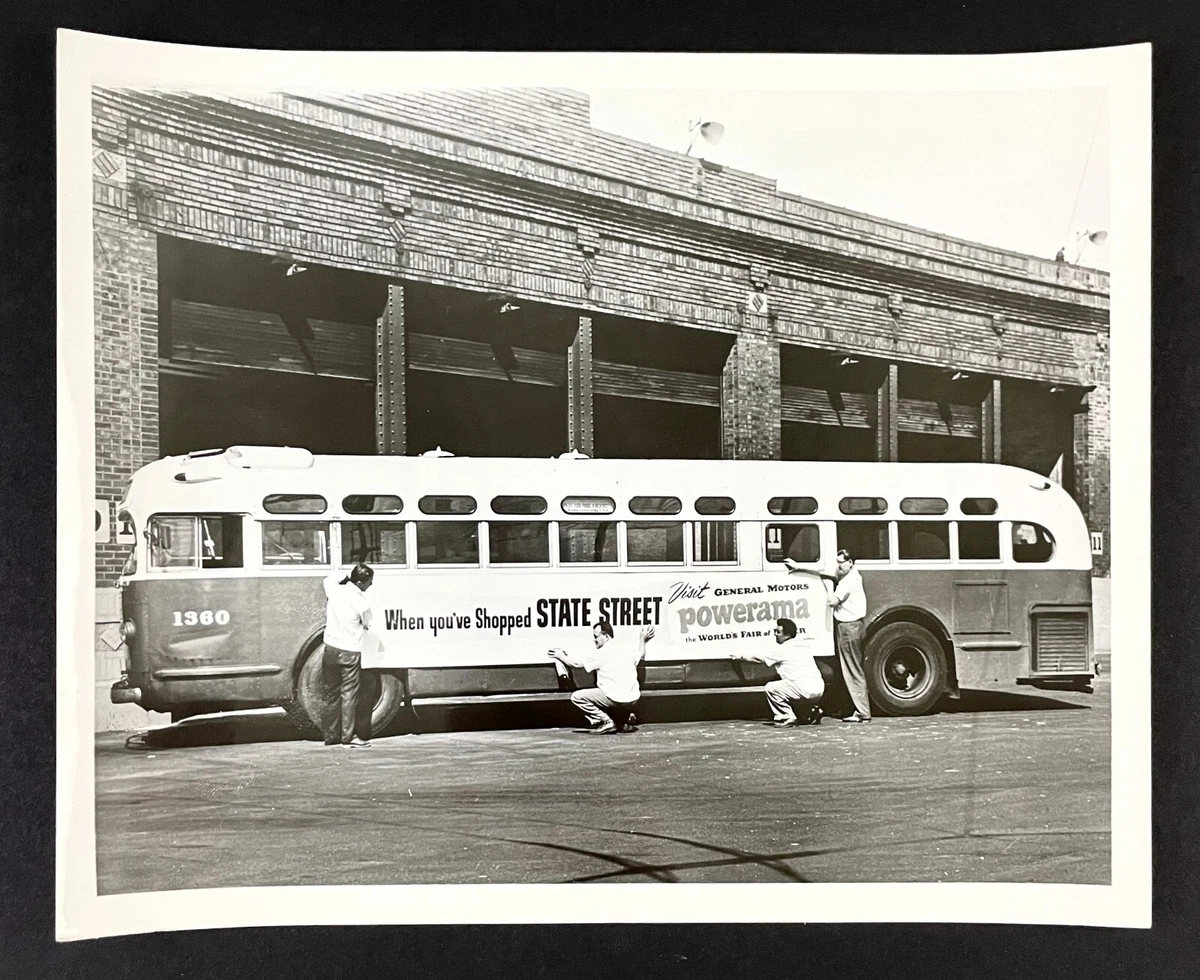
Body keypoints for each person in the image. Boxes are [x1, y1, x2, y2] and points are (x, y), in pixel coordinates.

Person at [548, 619, 654, 735]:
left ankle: (606, 721)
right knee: (609, 693)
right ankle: (622, 721)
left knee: (577, 697)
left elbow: (576, 664)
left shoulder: (601, 652)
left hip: (616, 699)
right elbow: (641, 656)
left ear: (606, 636)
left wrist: (561, 656)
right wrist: (642, 640)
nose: (594, 640)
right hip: (633, 699)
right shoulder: (625, 648)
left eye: (596, 636)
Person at [730, 618, 825, 727]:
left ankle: (787, 717)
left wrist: (740, 656)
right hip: (819, 689)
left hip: (804, 690)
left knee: (772, 688)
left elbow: (759, 659)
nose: (775, 634)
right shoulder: (803, 646)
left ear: (787, 635)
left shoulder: (782, 649)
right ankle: (812, 711)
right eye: (775, 631)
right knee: (789, 687)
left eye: (778, 632)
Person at [320, 562, 375, 746]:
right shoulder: (362, 602)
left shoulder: (334, 590)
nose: (371, 585)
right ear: (361, 582)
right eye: (369, 581)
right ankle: (348, 737)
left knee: (331, 694)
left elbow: (329, 578)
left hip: (330, 649)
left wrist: (347, 576)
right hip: (350, 652)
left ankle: (330, 737)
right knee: (349, 695)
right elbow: (368, 624)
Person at [820, 548, 870, 723]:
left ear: (850, 563)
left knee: (853, 671)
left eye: (842, 562)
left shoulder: (846, 582)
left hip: (848, 628)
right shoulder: (855, 576)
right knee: (853, 669)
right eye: (837, 562)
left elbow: (833, 602)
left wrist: (828, 588)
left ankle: (862, 712)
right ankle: (858, 709)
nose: (838, 566)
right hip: (856, 626)